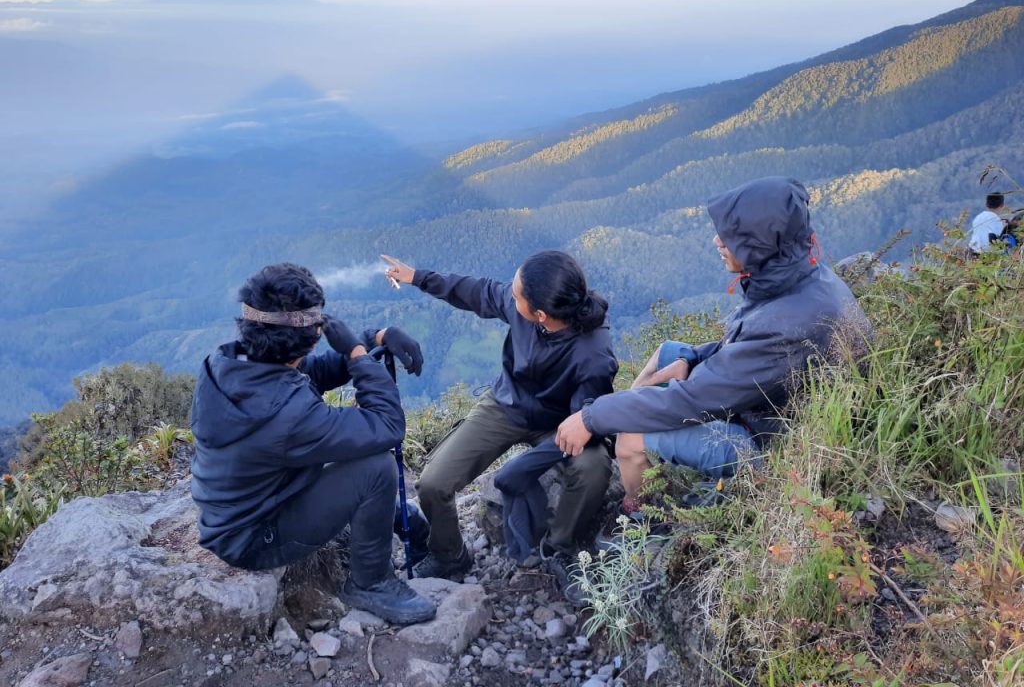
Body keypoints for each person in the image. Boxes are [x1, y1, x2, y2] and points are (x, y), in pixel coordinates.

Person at [555, 177, 870, 511]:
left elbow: (691, 402)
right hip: (769, 405)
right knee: (668, 352)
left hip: (773, 447)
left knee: (632, 433)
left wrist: (591, 416)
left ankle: (642, 516)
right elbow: (744, 347)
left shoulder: (785, 326)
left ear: (760, 244)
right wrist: (692, 358)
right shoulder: (798, 273)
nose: (717, 241)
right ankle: (639, 451)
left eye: (732, 237)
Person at [190, 262, 436, 626]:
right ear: (308, 339)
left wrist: (375, 337)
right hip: (256, 537)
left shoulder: (229, 361)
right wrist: (355, 354)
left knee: (369, 474)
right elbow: (386, 426)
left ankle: (387, 523)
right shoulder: (287, 416)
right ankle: (371, 583)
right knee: (375, 469)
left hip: (235, 516)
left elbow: (307, 375)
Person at [381, 250, 618, 592]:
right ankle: (450, 556)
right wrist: (417, 277)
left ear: (539, 314)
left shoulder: (592, 354)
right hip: (506, 405)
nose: (510, 294)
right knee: (433, 482)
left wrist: (522, 469)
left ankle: (559, 546)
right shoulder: (521, 308)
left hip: (563, 422)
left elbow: (588, 421)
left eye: (517, 293)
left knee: (592, 467)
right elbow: (476, 291)